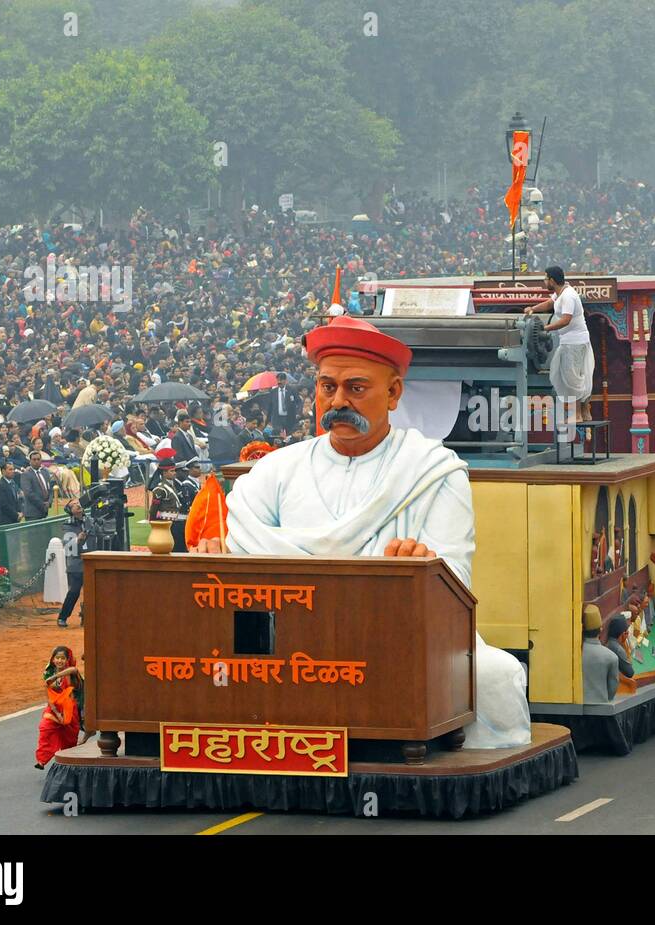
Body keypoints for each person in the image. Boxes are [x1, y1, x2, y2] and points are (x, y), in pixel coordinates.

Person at [208, 316, 531, 749]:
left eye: (356, 389)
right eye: (327, 387)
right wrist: (215, 555)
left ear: (394, 393)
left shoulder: (432, 472)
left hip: (396, 637)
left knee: (495, 675)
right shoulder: (274, 472)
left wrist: (425, 568)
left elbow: (457, 584)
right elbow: (241, 558)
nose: (338, 401)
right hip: (285, 641)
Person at [524, 266, 594, 438]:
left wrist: (545, 329)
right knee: (574, 375)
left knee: (572, 377)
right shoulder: (561, 293)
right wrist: (533, 308)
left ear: (552, 280)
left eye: (545, 279)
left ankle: (577, 414)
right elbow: (550, 303)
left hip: (574, 341)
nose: (544, 282)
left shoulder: (569, 296)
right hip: (571, 341)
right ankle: (585, 411)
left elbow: (566, 320)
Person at [35, 645, 83, 769]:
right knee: (45, 729)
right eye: (57, 658)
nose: (59, 661)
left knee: (69, 739)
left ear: (67, 660)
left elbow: (74, 670)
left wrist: (56, 677)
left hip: (70, 712)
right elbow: (49, 696)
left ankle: (69, 762)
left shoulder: (70, 673)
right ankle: (42, 760)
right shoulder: (48, 673)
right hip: (53, 709)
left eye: (62, 658)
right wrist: (56, 712)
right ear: (53, 659)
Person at [58, 500, 90, 628]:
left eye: (79, 503)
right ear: (69, 510)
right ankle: (62, 617)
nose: (78, 505)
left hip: (92, 559)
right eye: (74, 505)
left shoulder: (90, 521)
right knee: (74, 591)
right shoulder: (67, 525)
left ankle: (88, 616)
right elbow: (67, 547)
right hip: (77, 563)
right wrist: (78, 539)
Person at [582, 604, 620, 705]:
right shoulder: (611, 657)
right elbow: (612, 690)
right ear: (601, 629)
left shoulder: (573, 655)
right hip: (601, 711)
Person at [149, 448, 185, 552]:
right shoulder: (160, 489)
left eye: (174, 470)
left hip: (176, 522)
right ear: (164, 473)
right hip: (167, 523)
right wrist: (153, 523)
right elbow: (154, 508)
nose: (174, 473)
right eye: (172, 471)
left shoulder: (173, 485)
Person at [20, 451, 53, 521]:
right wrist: (42, 504)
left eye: (38, 459)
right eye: (34, 459)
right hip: (32, 512)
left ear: (41, 460)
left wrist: (49, 502)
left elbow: (50, 489)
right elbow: (28, 493)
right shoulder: (26, 474)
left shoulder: (45, 472)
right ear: (30, 461)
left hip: (44, 511)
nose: (36, 461)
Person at [0, 461, 22, 525]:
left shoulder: (13, 483)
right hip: (5, 521)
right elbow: (4, 505)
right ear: (3, 471)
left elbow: (17, 499)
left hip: (15, 520)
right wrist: (16, 515)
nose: (13, 471)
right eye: (10, 469)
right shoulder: (0, 485)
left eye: (13, 469)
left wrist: (20, 512)